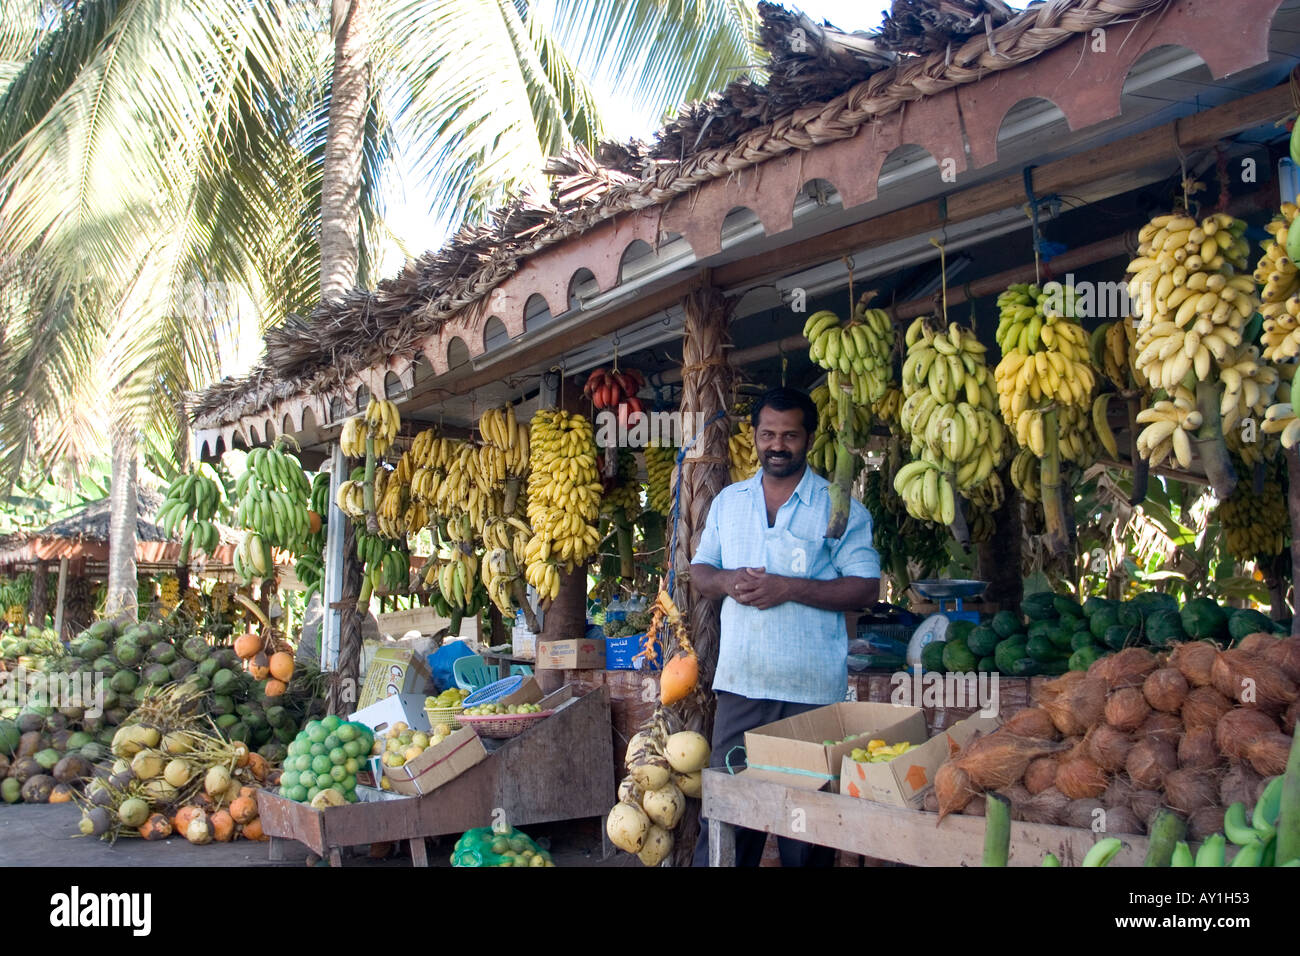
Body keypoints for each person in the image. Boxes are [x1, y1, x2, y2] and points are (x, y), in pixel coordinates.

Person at [690, 386, 881, 867]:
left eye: (790, 435)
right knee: (730, 819)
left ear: (809, 439)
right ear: (754, 436)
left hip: (811, 693)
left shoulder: (840, 508)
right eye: (768, 434)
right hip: (742, 688)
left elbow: (865, 587)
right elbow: (699, 572)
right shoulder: (729, 503)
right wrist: (728, 580)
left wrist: (789, 587)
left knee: (808, 827)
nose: (778, 445)